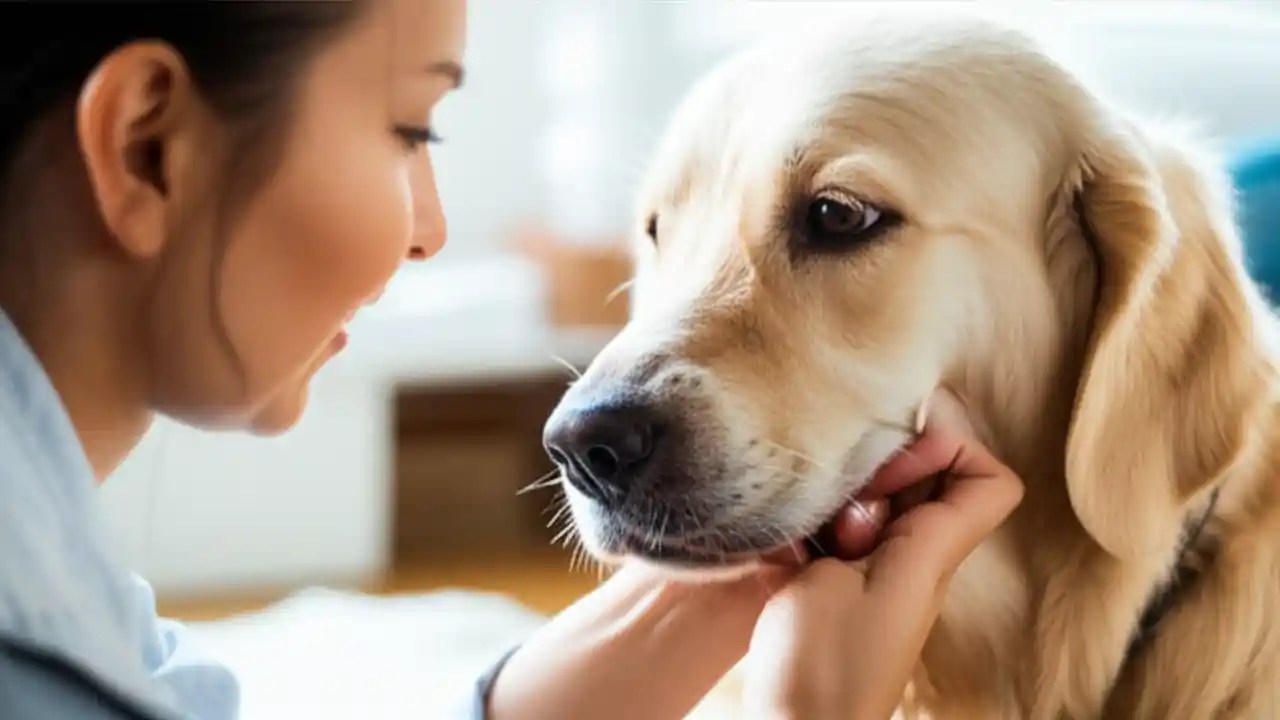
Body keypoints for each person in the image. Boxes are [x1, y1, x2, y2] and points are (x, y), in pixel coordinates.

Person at [0, 2, 1022, 719]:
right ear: (146, 144)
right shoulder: (31, 656)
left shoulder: (56, 572)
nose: (431, 229)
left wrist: (694, 600)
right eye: (407, 130)